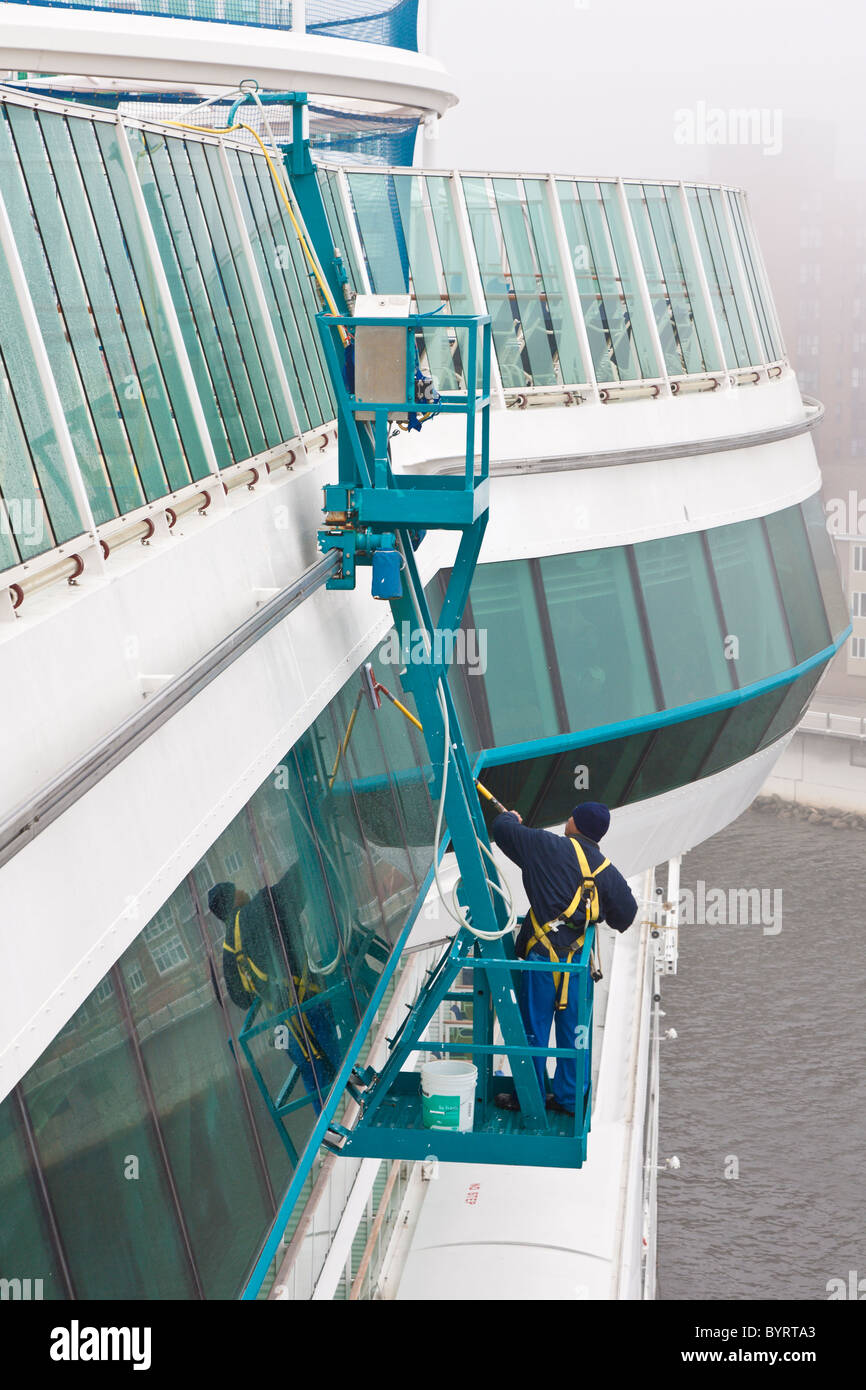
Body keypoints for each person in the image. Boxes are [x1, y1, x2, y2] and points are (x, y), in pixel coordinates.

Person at [491, 801, 637, 1117]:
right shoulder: (606, 871)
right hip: (576, 966)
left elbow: (503, 831)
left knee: (534, 1029)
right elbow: (626, 916)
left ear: (573, 824)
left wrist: (510, 817)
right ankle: (570, 1100)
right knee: (574, 1034)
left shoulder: (545, 845)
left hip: (542, 960)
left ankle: (528, 1098)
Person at [207, 864, 341, 1113]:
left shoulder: (228, 949)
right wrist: (309, 847)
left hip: (283, 1026)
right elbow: (295, 886)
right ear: (233, 898)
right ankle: (360, 1104)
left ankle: (331, 1126)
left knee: (312, 1072)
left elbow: (242, 998)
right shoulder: (260, 907)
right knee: (342, 1058)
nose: (244, 890)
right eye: (238, 890)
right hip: (311, 1005)